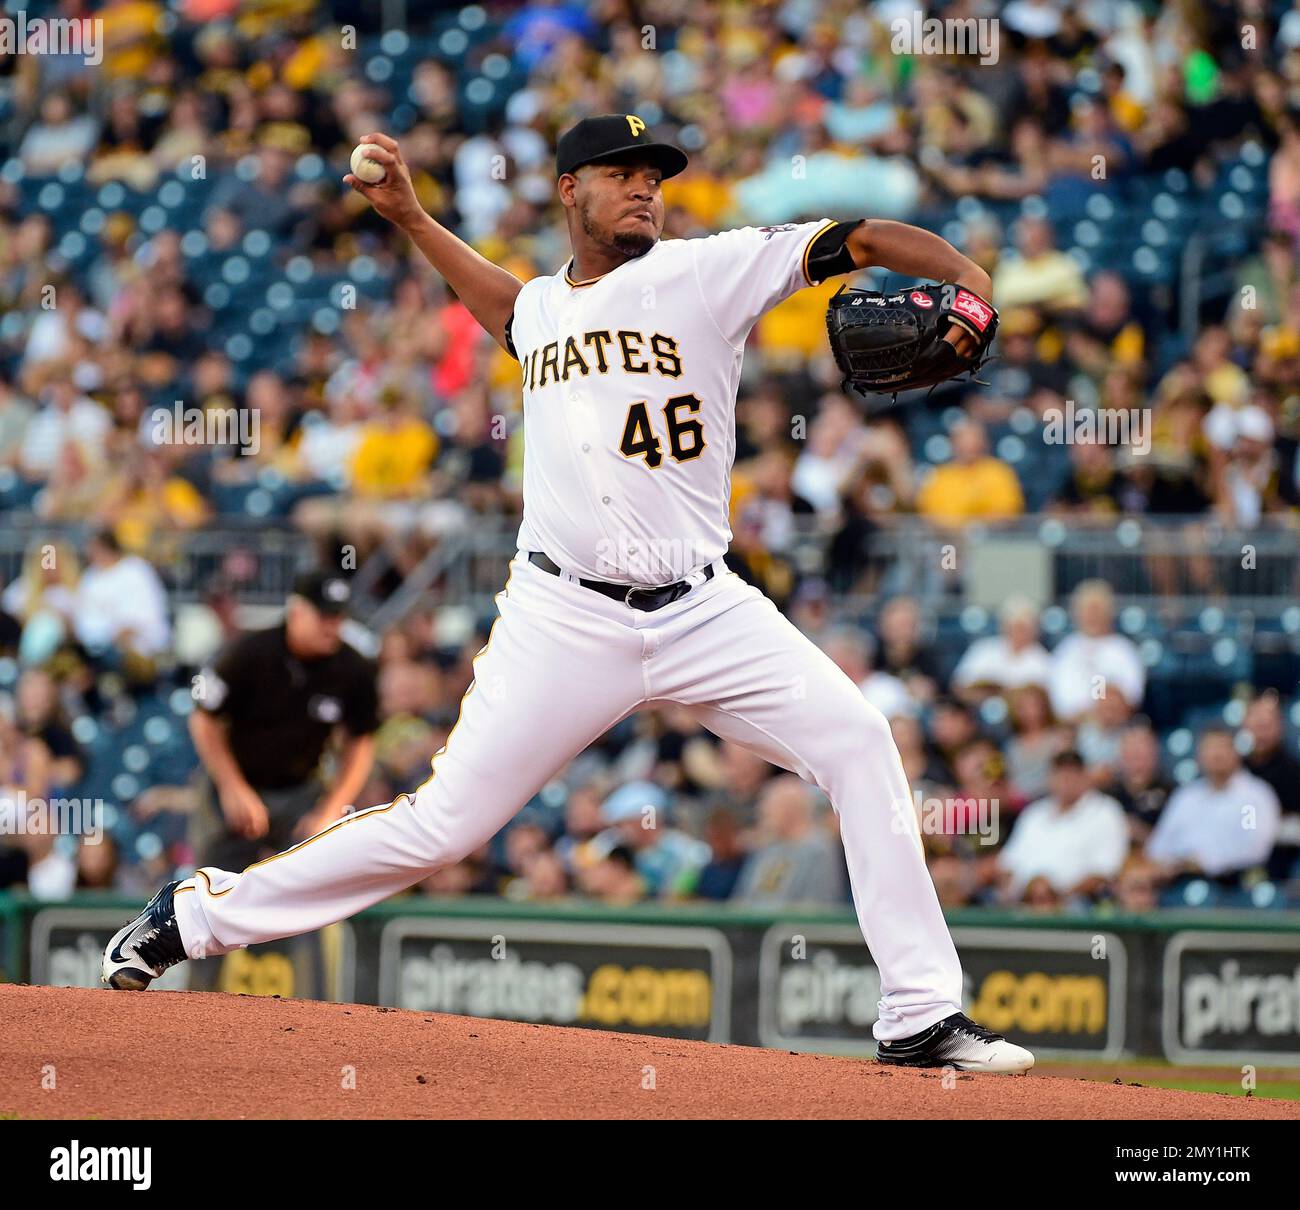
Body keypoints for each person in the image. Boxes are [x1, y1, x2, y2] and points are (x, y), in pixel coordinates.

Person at [104, 115, 1032, 1073]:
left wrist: (970, 277)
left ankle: (919, 1013)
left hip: (704, 608)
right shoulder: (544, 309)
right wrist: (413, 219)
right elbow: (506, 309)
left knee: (862, 742)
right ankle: (196, 914)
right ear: (568, 191)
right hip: (564, 616)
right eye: (620, 173)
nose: (644, 188)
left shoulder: (706, 270)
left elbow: (861, 240)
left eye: (653, 176)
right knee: (442, 825)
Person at [185, 569, 379, 875]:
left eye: (338, 618)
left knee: (312, 883)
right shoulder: (249, 651)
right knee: (216, 884)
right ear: (297, 612)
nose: (333, 627)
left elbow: (362, 741)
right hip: (239, 780)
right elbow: (203, 719)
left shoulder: (354, 668)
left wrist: (332, 807)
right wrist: (232, 786)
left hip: (301, 790)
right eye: (324, 617)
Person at [1146, 727, 1281, 892]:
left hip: (1232, 886)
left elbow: (1254, 849)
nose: (1216, 755)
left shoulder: (1252, 798)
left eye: (1222, 747)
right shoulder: (1186, 796)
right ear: (1199, 756)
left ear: (1236, 752)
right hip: (1179, 882)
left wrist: (1204, 862)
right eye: (1209, 749)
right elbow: (1158, 847)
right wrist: (1176, 863)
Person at [994, 751, 1129, 905]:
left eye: (1072, 774)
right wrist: (1011, 894)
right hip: (1023, 902)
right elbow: (1007, 863)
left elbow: (1105, 871)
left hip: (1076, 904)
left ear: (1085, 776)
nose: (1066, 781)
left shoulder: (1105, 811)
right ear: (1050, 778)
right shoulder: (1034, 813)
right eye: (1060, 774)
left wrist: (1058, 897)